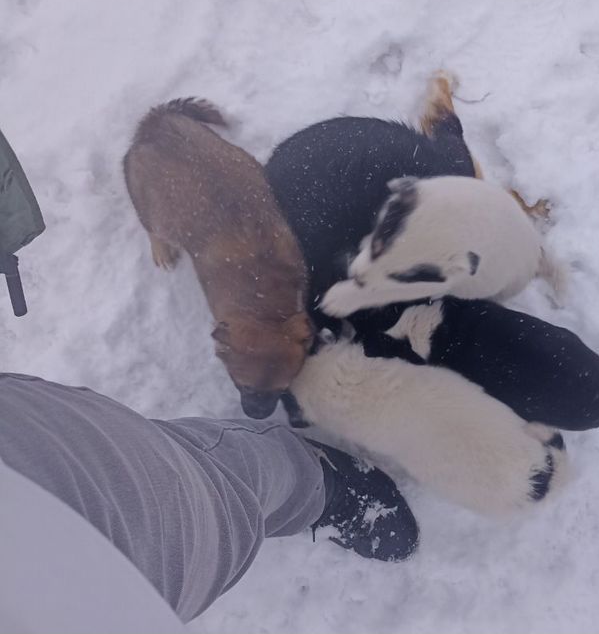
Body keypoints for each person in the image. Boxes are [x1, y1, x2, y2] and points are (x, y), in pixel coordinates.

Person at [0, 130, 419, 631]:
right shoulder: (229, 301)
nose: (258, 402)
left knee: (169, 494)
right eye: (250, 389)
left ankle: (317, 480)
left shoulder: (253, 307)